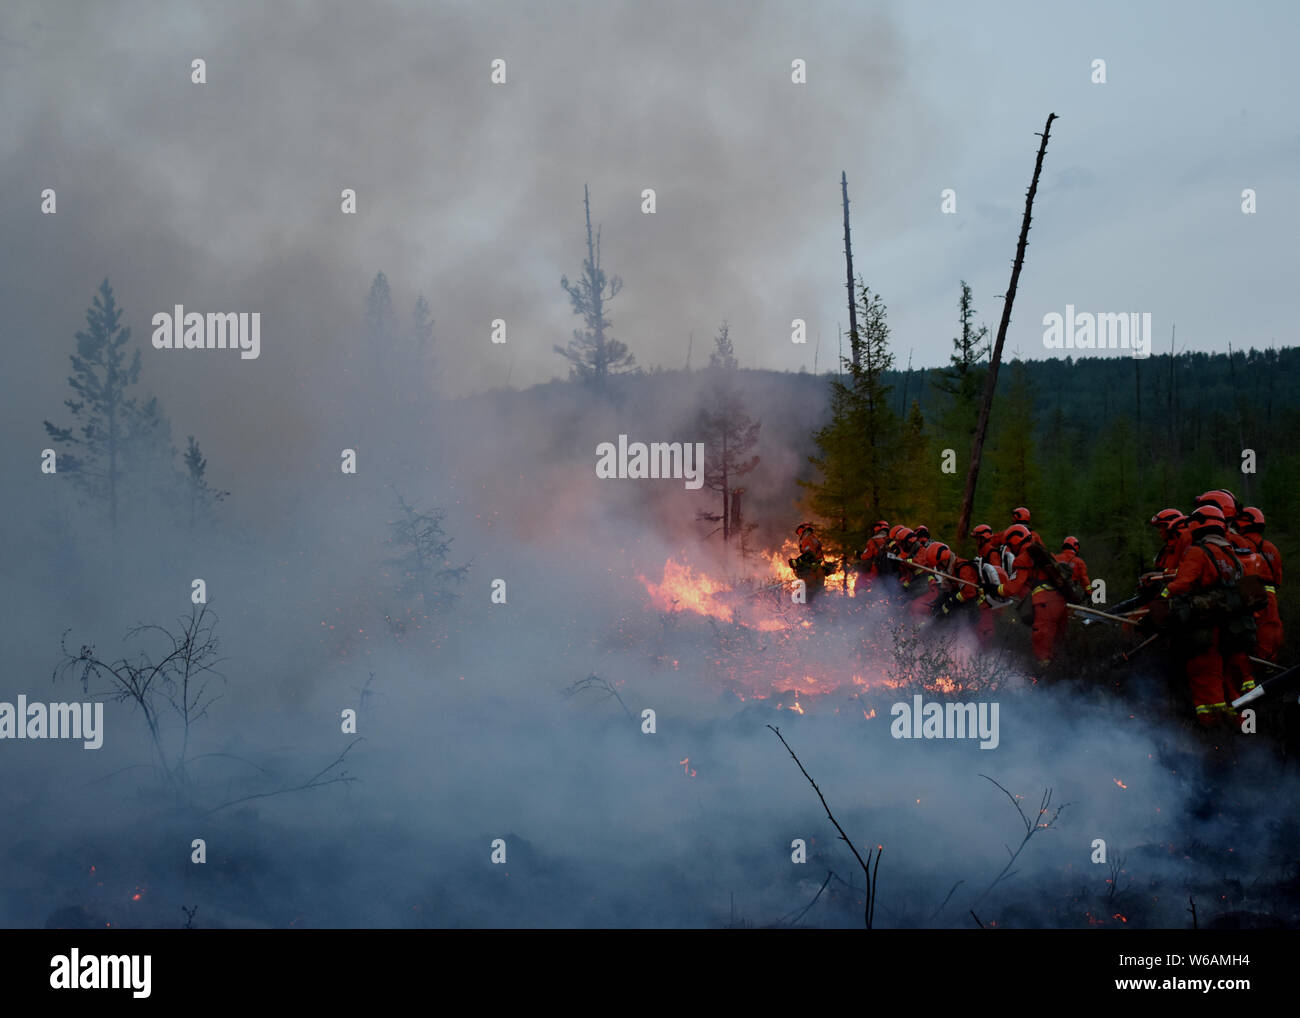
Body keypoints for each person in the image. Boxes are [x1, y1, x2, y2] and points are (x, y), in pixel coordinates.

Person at [1156, 505, 1253, 727]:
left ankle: (1212, 731)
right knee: (1228, 679)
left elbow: (1184, 583)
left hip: (1205, 625)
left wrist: (1163, 596)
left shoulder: (1198, 552)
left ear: (1199, 525)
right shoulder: (1230, 553)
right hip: (1231, 626)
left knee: (1204, 678)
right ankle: (1240, 727)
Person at [986, 523, 1067, 670]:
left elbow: (1012, 588)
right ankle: (1060, 678)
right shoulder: (1040, 552)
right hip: (1061, 602)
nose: (1010, 549)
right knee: (1057, 641)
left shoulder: (1023, 558)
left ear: (1015, 542)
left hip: (1045, 603)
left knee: (1041, 641)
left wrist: (995, 589)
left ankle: (1044, 678)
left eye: (1010, 545)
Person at [1236, 507, 1284, 661]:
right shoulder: (1271, 548)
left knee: (1256, 632)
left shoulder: (1241, 543)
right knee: (1273, 629)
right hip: (1270, 596)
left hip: (1250, 592)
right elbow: (1278, 579)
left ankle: (1259, 666)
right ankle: (1271, 663)